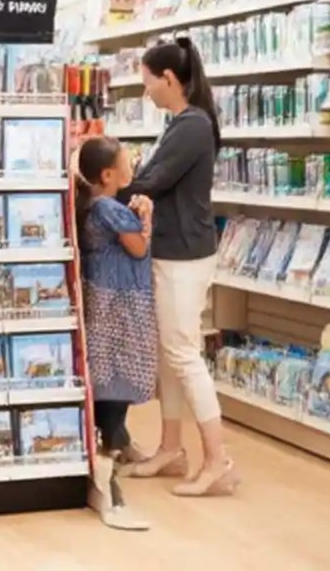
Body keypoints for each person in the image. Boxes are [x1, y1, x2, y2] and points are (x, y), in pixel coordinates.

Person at [118, 37, 239, 497]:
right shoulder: (180, 123)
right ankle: (171, 447)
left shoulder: (192, 125)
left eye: (148, 82)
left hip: (184, 255)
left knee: (184, 354)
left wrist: (109, 184)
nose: (146, 91)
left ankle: (217, 459)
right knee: (171, 354)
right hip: (173, 250)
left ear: (169, 79)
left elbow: (153, 181)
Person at [74, 135, 155, 529]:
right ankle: (114, 438)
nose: (132, 168)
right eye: (126, 163)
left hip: (101, 297)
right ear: (108, 175)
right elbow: (138, 247)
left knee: (104, 369)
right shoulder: (109, 207)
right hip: (121, 301)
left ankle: (116, 438)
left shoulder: (93, 203)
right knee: (119, 371)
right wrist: (146, 218)